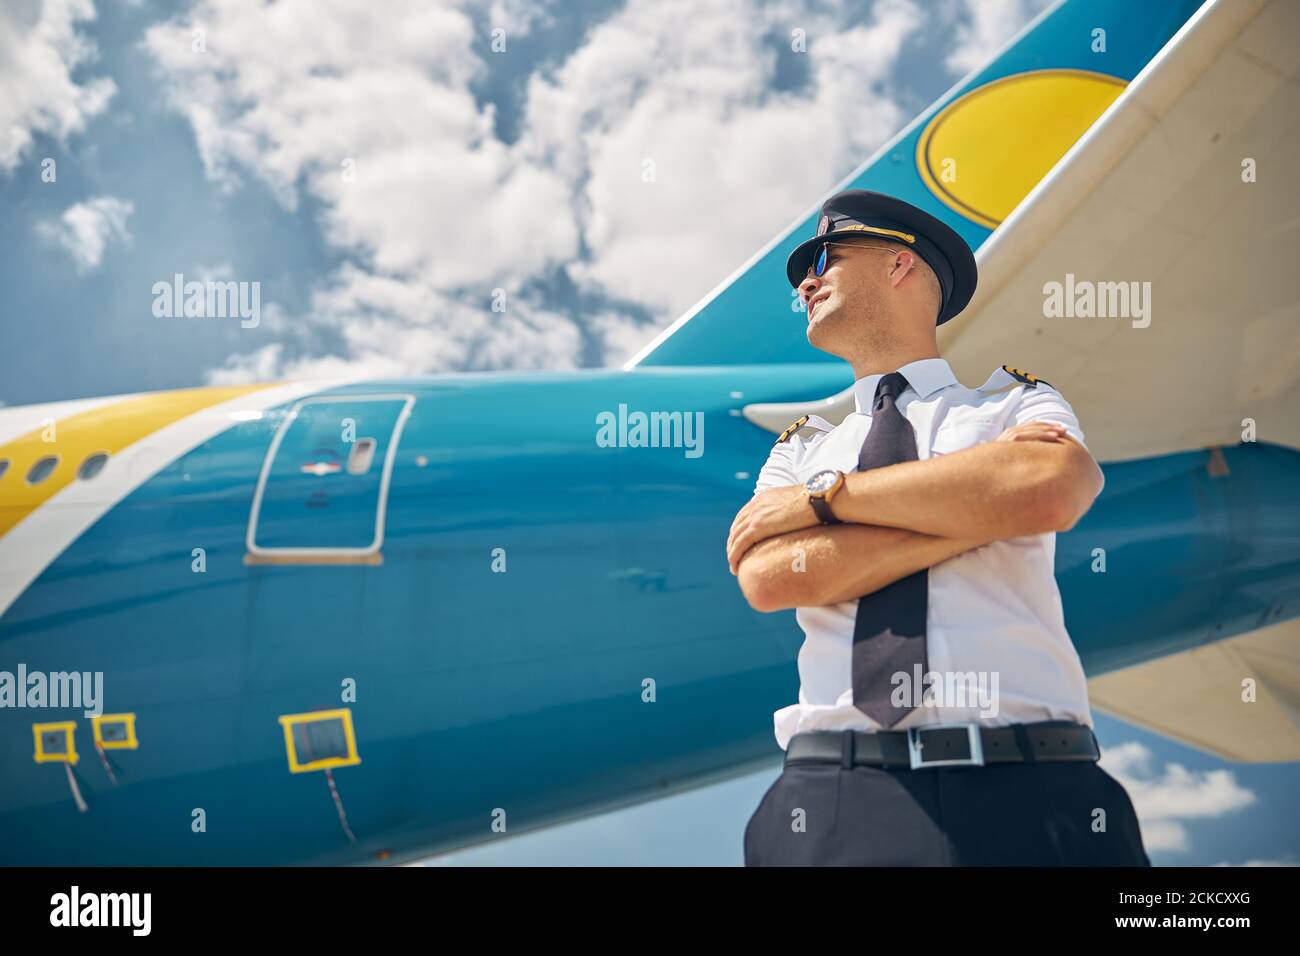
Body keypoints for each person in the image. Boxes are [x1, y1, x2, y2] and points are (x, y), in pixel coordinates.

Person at [727, 188, 1150, 866]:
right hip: (836, 799)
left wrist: (826, 502)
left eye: (826, 258)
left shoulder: (1014, 400)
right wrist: (985, 506)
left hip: (1037, 789)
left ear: (899, 266)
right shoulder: (796, 447)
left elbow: (1052, 487)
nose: (806, 282)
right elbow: (770, 576)